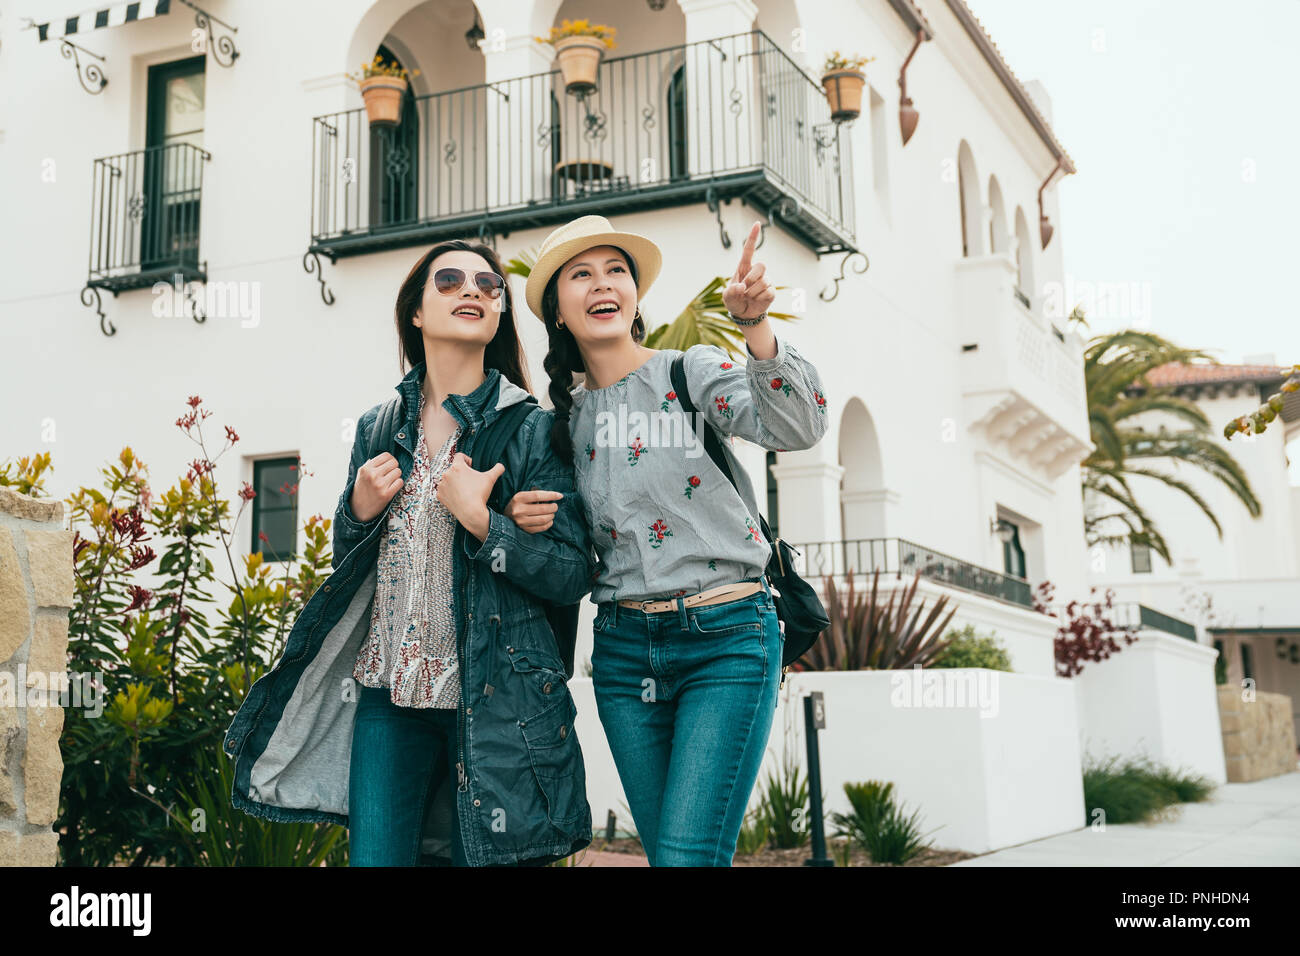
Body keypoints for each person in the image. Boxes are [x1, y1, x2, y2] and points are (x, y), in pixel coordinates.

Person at [224, 239, 595, 867]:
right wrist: (359, 511)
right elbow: (357, 566)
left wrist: (484, 522)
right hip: (387, 699)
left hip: (495, 699)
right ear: (416, 313)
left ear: (500, 314)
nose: (472, 291)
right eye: (449, 280)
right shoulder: (378, 426)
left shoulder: (528, 427)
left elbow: (571, 572)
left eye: (488, 285)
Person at [505, 214, 829, 865]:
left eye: (615, 270)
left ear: (633, 295)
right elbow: (565, 557)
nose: (603, 284)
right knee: (676, 858)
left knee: (685, 858)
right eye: (582, 274)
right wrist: (520, 515)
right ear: (559, 310)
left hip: (728, 638)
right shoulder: (558, 424)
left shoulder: (690, 370)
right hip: (624, 655)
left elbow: (800, 427)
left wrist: (756, 331)